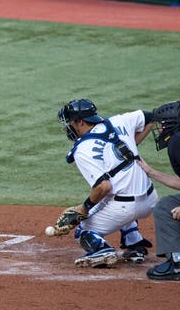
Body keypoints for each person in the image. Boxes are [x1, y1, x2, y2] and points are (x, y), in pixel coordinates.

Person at [56, 99, 156, 267]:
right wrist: (132, 145)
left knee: (83, 231)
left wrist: (84, 208)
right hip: (151, 199)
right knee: (111, 196)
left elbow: (103, 186)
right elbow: (151, 117)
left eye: (70, 122)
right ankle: (134, 243)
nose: (68, 127)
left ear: (80, 121)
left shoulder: (83, 149)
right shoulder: (119, 121)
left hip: (125, 207)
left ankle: (102, 250)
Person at [137, 102, 180, 281]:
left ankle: (177, 264)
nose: (160, 128)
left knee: (165, 208)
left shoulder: (177, 142)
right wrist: (151, 172)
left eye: (162, 124)